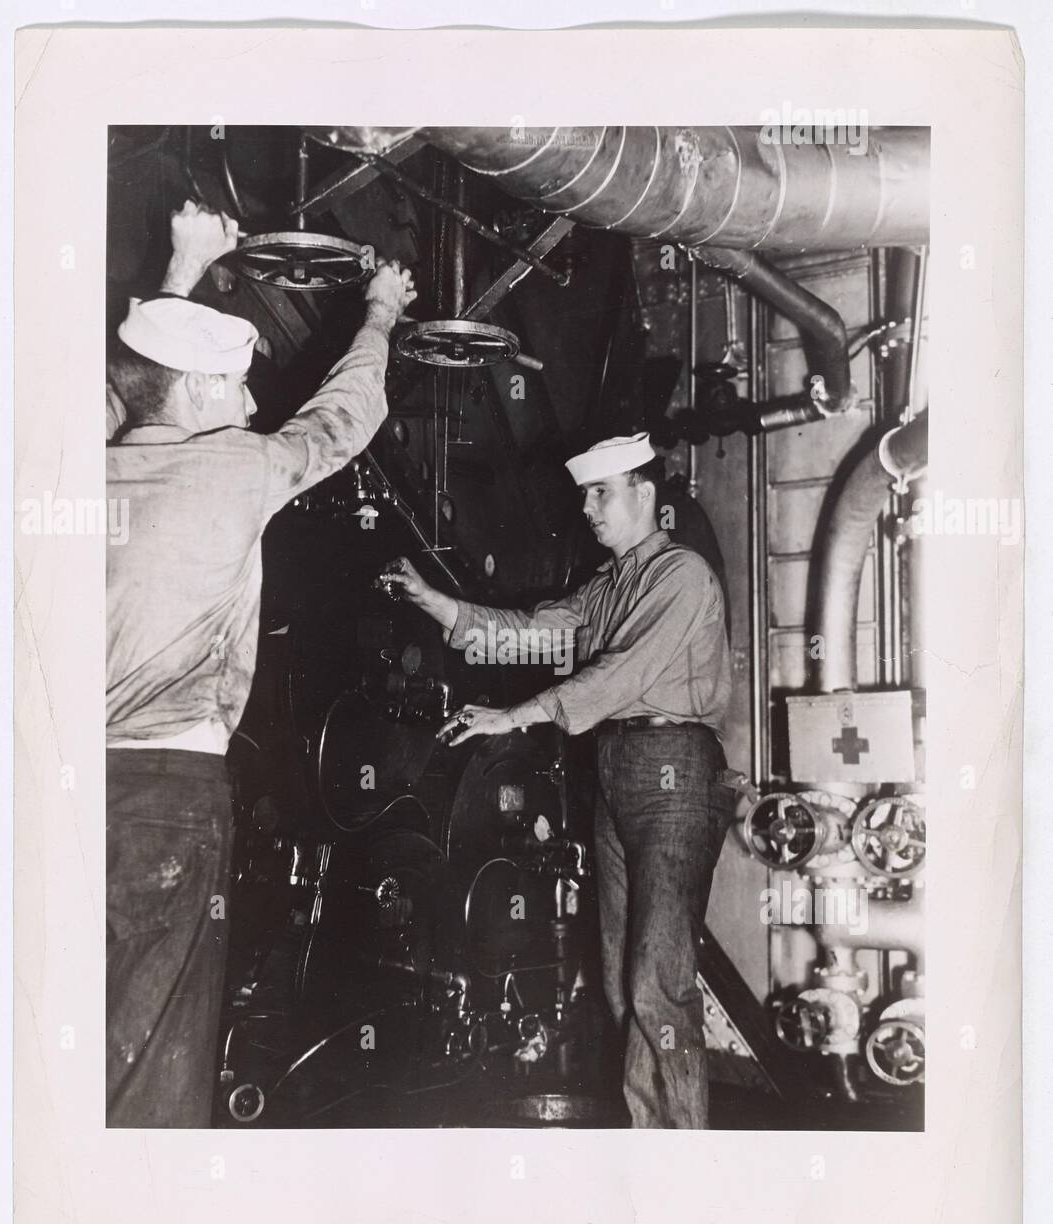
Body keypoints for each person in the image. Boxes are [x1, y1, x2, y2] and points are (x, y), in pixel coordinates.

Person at [105, 202, 416, 1126]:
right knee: (155, 1050)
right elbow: (341, 419)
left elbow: (125, 385)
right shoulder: (232, 470)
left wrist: (182, 266)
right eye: (237, 387)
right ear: (201, 395)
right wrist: (381, 315)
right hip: (168, 798)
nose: (248, 403)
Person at [384, 432, 735, 1128]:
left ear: (645, 493)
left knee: (655, 980)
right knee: (617, 981)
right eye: (583, 495)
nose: (587, 508)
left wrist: (513, 715)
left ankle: (686, 1160)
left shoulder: (681, 576)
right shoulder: (608, 587)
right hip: (615, 767)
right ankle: (649, 1142)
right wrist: (434, 603)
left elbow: (619, 674)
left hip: (674, 773)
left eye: (600, 493)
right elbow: (532, 634)